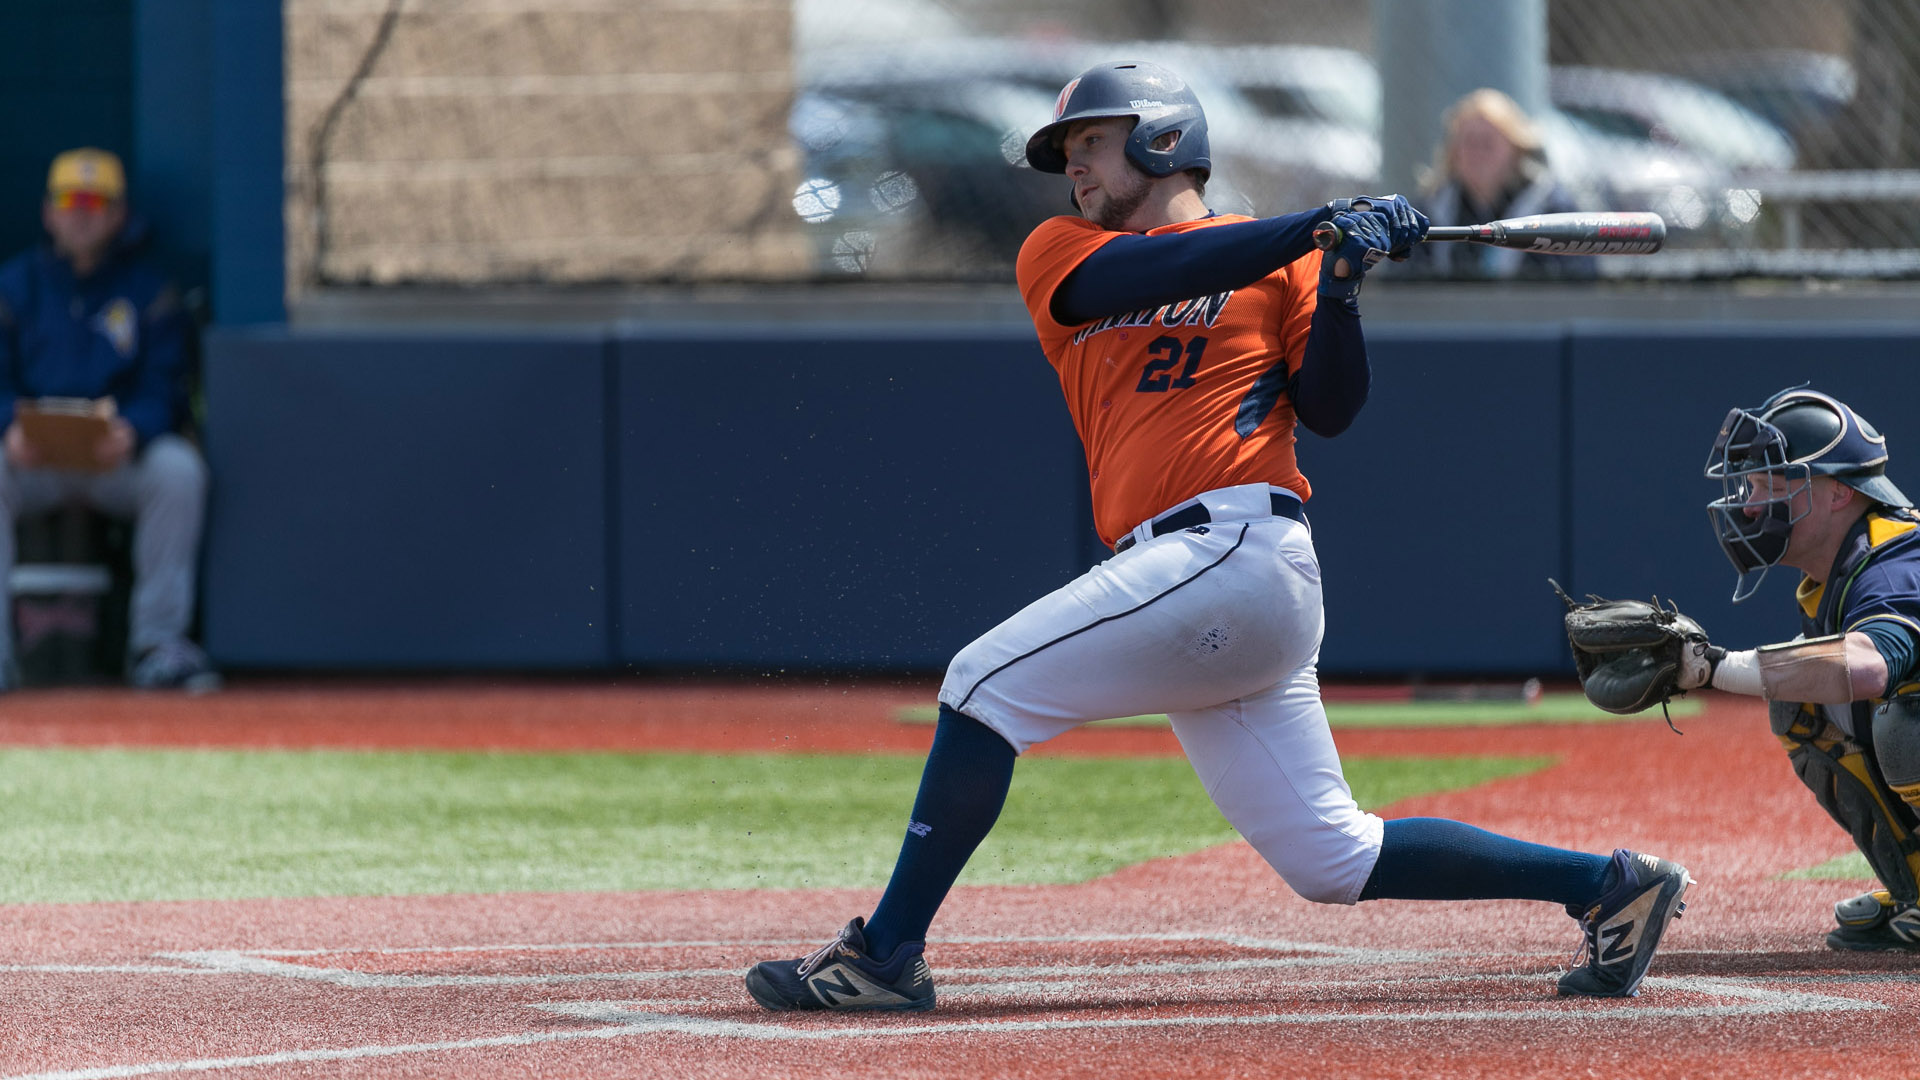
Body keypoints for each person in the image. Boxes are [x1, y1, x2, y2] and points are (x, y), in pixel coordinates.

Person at [743, 60, 1691, 1012]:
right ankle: (1607, 884)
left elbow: (1332, 405)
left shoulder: (1286, 262)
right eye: (1069, 152)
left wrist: (1345, 280)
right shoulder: (1062, 251)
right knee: (1333, 856)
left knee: (979, 686)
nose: (1075, 170)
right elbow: (1173, 264)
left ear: (1163, 139)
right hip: (1193, 576)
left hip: (1235, 552)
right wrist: (1316, 228)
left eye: (1092, 145)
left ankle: (883, 955)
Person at [1670, 387, 1920, 951]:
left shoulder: (1897, 560)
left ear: (1835, 493)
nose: (1750, 504)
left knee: (1904, 722)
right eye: (1750, 486)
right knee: (1800, 698)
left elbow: (1869, 668)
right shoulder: (1842, 569)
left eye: (1769, 485)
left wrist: (1714, 669)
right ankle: (1915, 885)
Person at [0, 148, 217, 692]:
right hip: (35, 459)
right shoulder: (14, 286)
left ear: (119, 215)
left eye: (98, 202)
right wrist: (10, 424)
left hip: (114, 458)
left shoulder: (149, 293)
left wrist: (135, 429)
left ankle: (156, 644)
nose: (82, 213)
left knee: (178, 471)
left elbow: (169, 387)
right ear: (49, 212)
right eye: (70, 200)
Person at [1413, 87, 1597, 280]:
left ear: (1515, 150)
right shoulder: (1431, 211)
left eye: (1488, 143)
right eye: (1468, 142)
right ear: (1453, 152)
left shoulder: (1550, 208)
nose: (1477, 153)